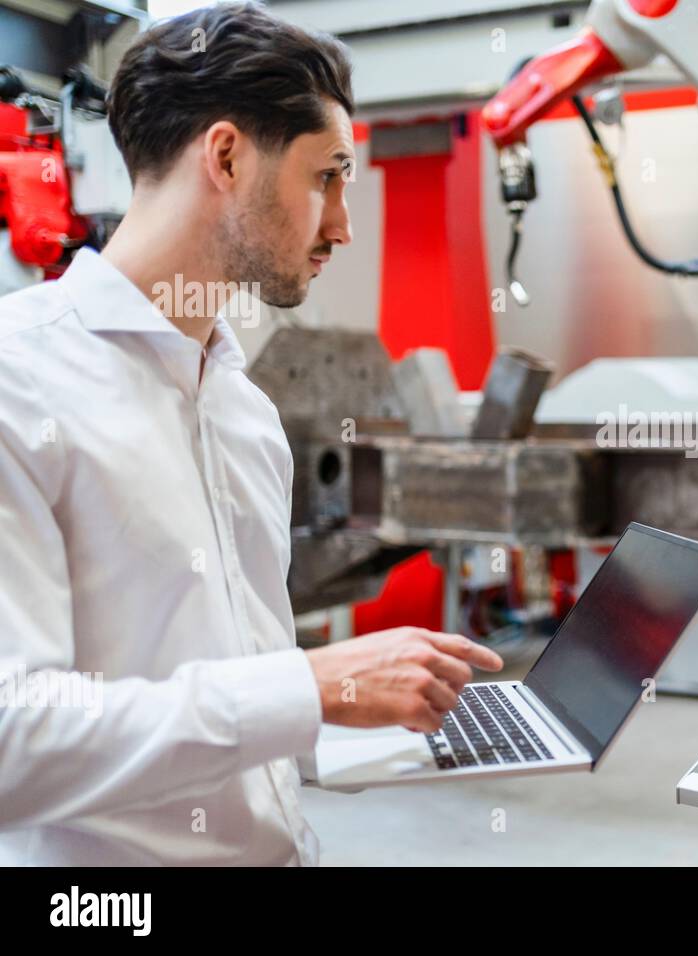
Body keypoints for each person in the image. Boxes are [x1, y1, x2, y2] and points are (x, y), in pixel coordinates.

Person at [0, 2, 502, 866]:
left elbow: (243, 699)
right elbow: (13, 741)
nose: (342, 226)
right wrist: (312, 684)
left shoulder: (241, 406)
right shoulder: (20, 382)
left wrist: (379, 720)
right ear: (226, 156)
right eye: (327, 179)